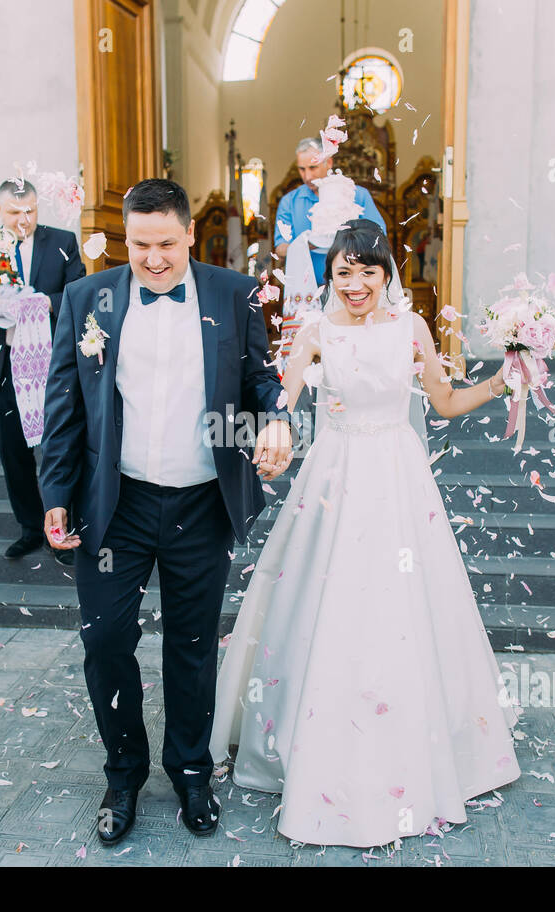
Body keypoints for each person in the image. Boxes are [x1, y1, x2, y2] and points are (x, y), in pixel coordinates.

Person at [209, 219, 520, 848]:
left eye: (367, 271)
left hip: (399, 477)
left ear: (387, 273)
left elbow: (442, 403)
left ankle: (417, 736)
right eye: (343, 272)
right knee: (328, 600)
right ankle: (315, 732)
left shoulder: (412, 329)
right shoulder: (316, 333)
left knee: (406, 601)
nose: (355, 284)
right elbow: (284, 397)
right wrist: (274, 430)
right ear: (330, 277)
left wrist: (501, 380)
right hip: (336, 473)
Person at [40, 178, 294, 846]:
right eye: (140, 244)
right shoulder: (85, 298)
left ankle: (190, 772)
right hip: (113, 505)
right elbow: (63, 405)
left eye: (167, 244)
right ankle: (122, 772)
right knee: (104, 642)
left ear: (189, 235)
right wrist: (56, 497)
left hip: (198, 504)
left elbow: (260, 379)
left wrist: (275, 420)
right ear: (128, 238)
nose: (153, 258)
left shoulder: (233, 295)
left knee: (190, 646)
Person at [0, 179, 86, 564]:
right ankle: (31, 528)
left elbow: (79, 295)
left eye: (30, 210)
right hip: (4, 365)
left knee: (57, 447)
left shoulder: (62, 242)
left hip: (52, 365)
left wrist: (42, 302)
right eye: (15, 212)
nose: (24, 219)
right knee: (13, 452)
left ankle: (61, 528)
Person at [274, 136, 388, 282]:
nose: (307, 176)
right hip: (307, 286)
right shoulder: (289, 201)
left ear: (328, 162)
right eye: (302, 169)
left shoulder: (357, 194)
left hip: (351, 283)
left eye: (313, 167)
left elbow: (378, 237)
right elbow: (280, 248)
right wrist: (305, 244)